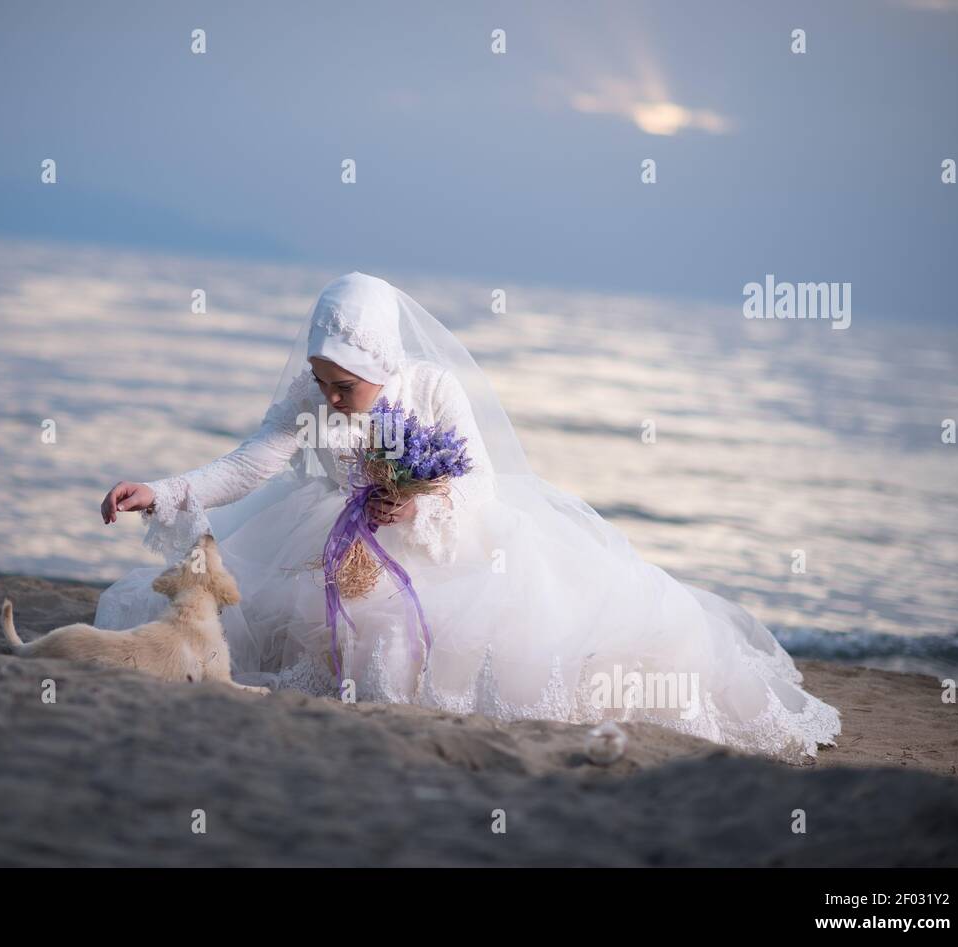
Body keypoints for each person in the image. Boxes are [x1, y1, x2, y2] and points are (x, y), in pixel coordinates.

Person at [94, 271, 841, 764]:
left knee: (495, 629)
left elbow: (480, 483)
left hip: (438, 538)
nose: (327, 397)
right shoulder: (308, 396)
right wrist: (160, 490)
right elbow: (251, 460)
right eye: (320, 380)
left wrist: (418, 500)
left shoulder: (432, 389)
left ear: (381, 366)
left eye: (342, 384)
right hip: (333, 539)